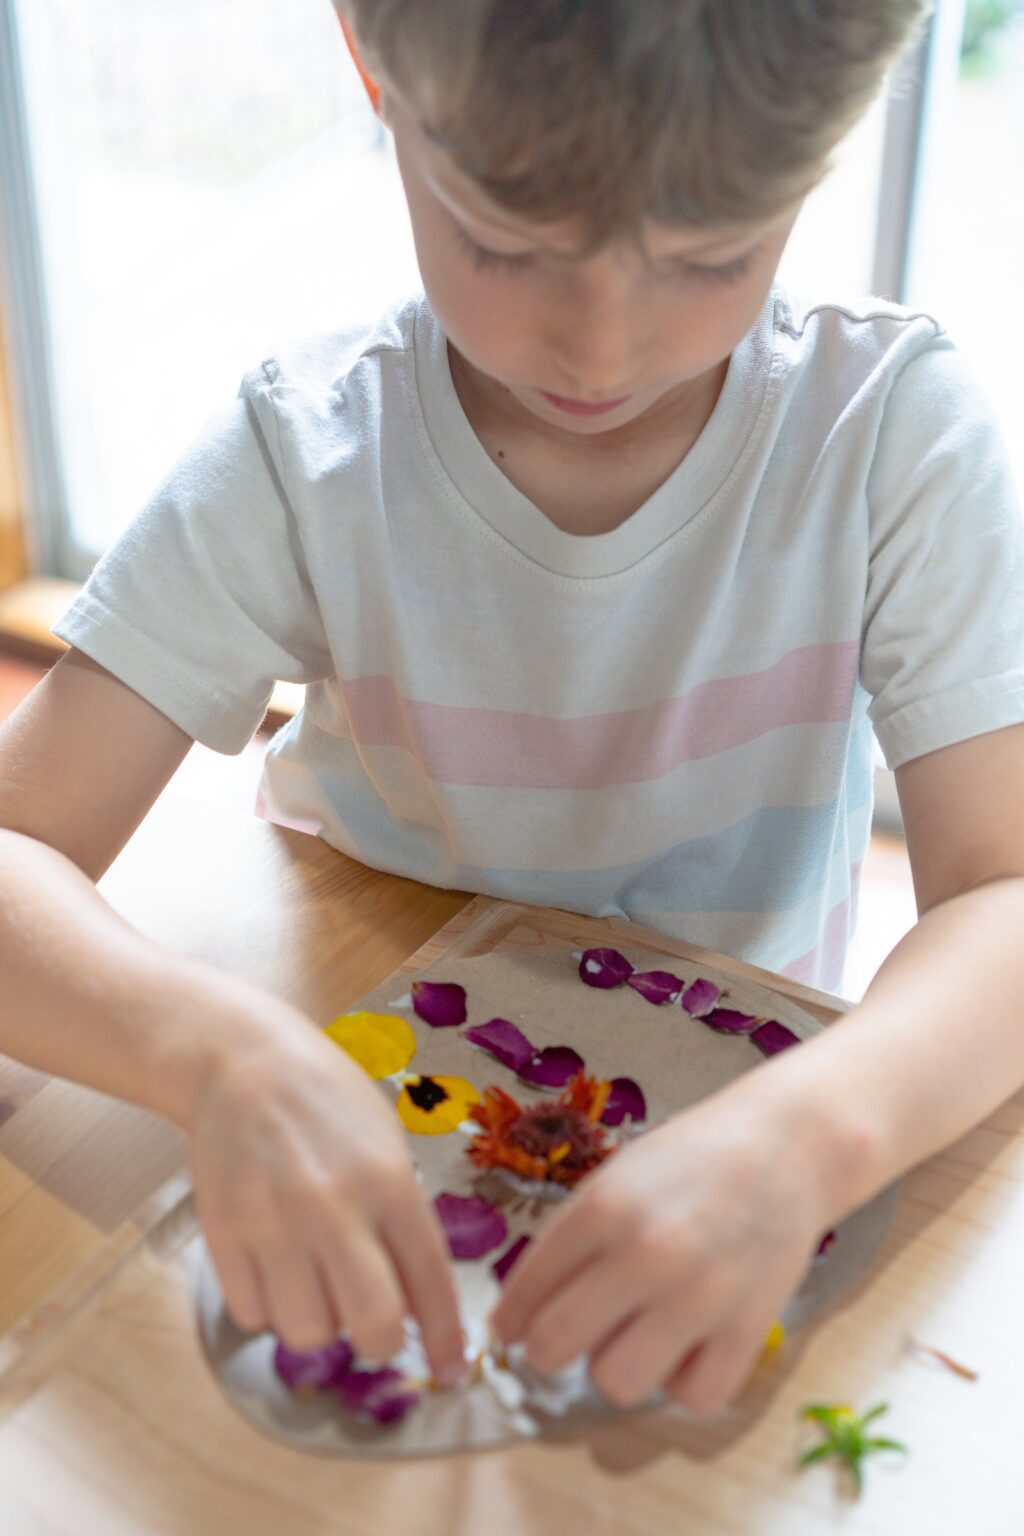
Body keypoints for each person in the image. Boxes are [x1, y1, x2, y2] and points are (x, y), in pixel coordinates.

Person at [2, 0, 1023, 1418]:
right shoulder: (309, 456)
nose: (600, 348)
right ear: (369, 57)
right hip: (351, 1129)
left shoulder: (892, 438)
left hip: (724, 1161)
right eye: (504, 241)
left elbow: (1007, 891)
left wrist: (812, 1139)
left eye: (711, 256)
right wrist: (205, 1051)